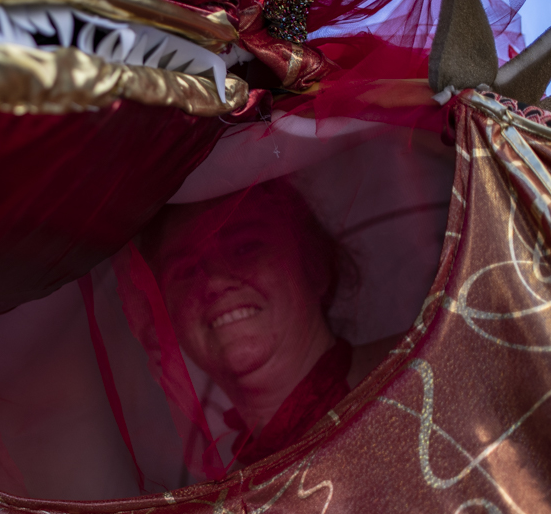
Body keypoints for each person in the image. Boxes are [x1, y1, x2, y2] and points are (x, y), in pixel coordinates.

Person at [143, 178, 397, 467]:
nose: (213, 281)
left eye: (245, 247)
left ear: (315, 266)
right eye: (187, 269)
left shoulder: (423, 369)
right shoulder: (225, 502)